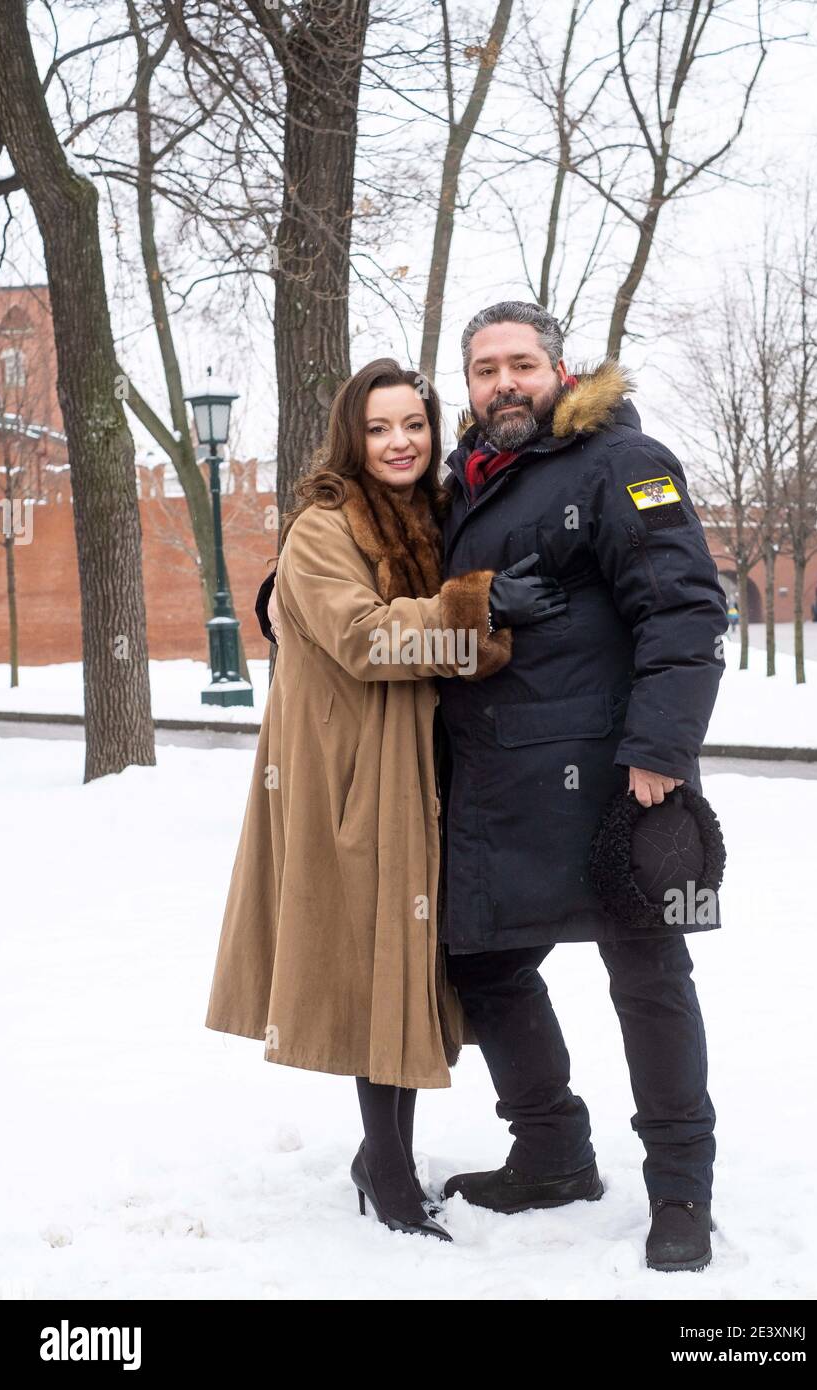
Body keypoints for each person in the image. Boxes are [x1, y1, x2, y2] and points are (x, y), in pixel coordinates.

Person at [204, 358, 563, 1242]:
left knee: (410, 971)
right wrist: (476, 611)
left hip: (431, 768)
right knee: (379, 972)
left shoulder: (435, 515)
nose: (400, 442)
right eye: (379, 427)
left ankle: (393, 1158)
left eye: (414, 424)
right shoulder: (325, 524)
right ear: (351, 437)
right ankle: (390, 1171)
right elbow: (364, 638)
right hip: (354, 772)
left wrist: (484, 624)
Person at [434, 302, 729, 1273]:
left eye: (520, 363)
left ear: (559, 370)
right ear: (468, 386)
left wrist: (660, 752)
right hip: (493, 786)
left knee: (646, 979)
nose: (502, 383)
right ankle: (552, 1151)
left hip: (612, 779)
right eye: (484, 370)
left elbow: (682, 607)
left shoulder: (615, 462)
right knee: (481, 963)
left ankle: (680, 1188)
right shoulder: (465, 483)